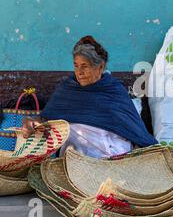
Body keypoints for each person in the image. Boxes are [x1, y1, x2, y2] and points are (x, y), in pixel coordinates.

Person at [22, 35, 158, 158]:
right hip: (77, 157)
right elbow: (47, 119)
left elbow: (132, 128)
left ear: (100, 67)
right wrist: (33, 121)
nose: (79, 72)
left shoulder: (113, 89)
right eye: (76, 66)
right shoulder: (68, 88)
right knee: (70, 130)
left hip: (114, 152)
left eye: (84, 66)